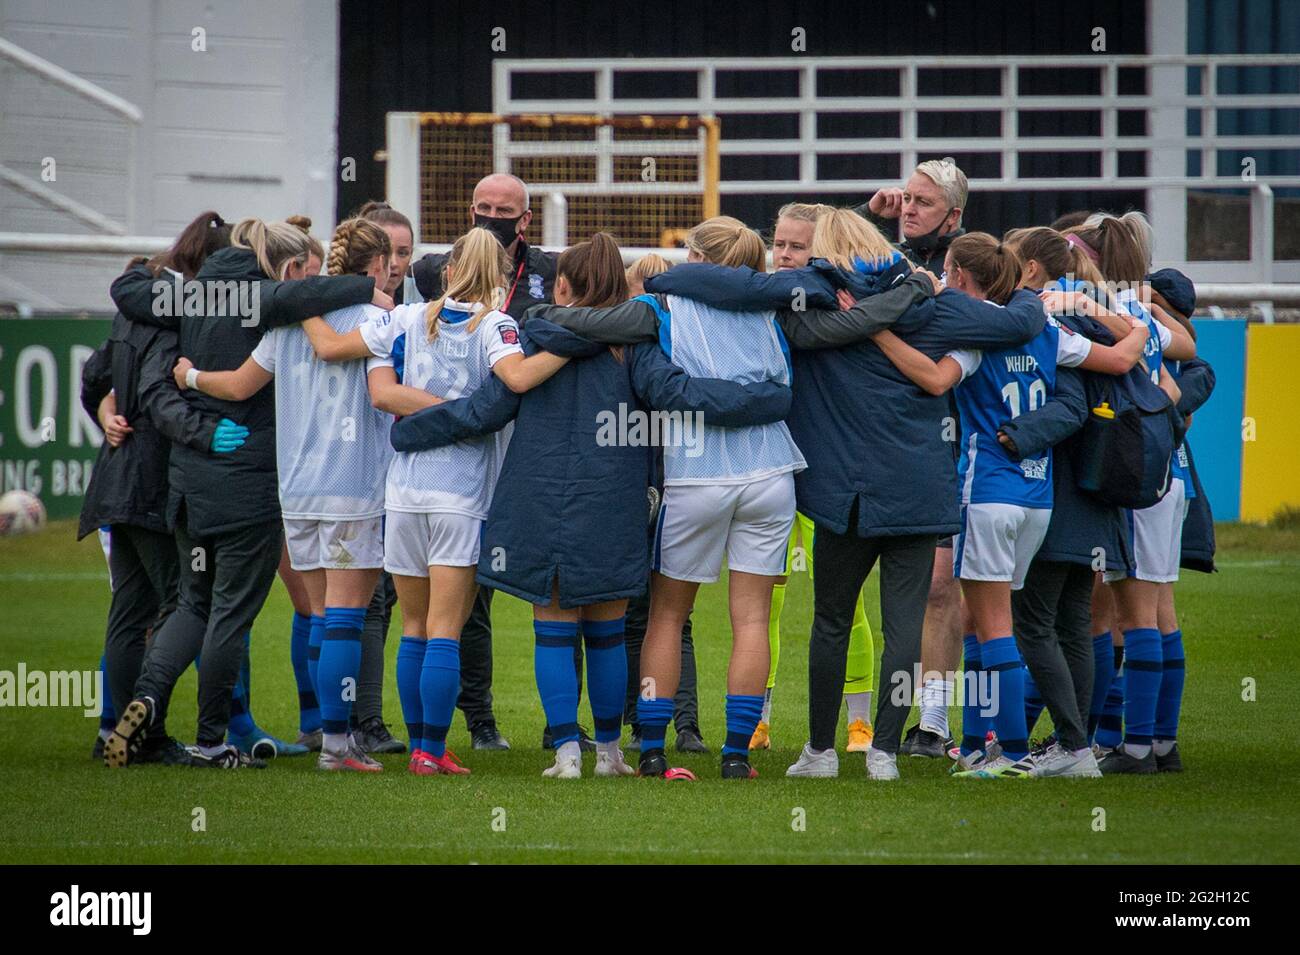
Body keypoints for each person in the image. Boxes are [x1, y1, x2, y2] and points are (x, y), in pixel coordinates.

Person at [534, 214, 943, 779]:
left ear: (698, 261)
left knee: (668, 618)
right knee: (751, 619)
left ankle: (652, 748)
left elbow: (586, 328)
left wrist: (534, 319)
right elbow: (848, 330)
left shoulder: (663, 307)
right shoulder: (779, 308)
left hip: (697, 475)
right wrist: (914, 286)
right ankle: (735, 755)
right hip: (770, 472)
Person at [391, 233, 795, 778]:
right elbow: (675, 396)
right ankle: (610, 753)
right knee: (607, 630)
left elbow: (486, 411)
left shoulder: (533, 336)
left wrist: (410, 432)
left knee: (552, 627)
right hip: (614, 499)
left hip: (538, 497)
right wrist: (768, 399)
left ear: (561, 285)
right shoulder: (639, 343)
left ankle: (565, 753)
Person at [103, 218, 393, 769]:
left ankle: (145, 698)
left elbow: (132, 294)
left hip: (189, 481)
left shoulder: (195, 299)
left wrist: (189, 381)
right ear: (286, 270)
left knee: (192, 602)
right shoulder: (272, 309)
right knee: (241, 615)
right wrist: (367, 290)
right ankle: (217, 740)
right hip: (259, 482)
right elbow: (297, 313)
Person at [873, 231, 1149, 777]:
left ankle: (1013, 754)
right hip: (1037, 498)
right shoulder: (1047, 330)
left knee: (996, 626)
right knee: (980, 620)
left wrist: (875, 330)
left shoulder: (978, 336)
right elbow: (1120, 360)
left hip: (988, 492)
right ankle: (979, 744)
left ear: (959, 277)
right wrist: (1141, 326)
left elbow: (933, 378)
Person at [301, 227, 567, 775]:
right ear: (497, 276)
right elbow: (515, 379)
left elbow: (334, 351)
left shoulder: (403, 318)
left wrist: (300, 297)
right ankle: (430, 749)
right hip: (461, 492)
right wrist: (568, 345)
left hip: (402, 492)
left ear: (447, 272)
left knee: (415, 627)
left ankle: (416, 743)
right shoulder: (497, 324)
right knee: (447, 628)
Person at [79, 211, 244, 767]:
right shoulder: (174, 316)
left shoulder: (133, 306)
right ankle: (148, 730)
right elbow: (157, 396)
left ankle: (112, 729)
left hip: (113, 475)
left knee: (129, 609)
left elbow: (93, 380)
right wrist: (211, 436)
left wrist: (105, 413)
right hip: (153, 480)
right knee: (182, 600)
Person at [409, 174, 559, 750]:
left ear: (525, 221)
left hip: (534, 449)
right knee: (464, 596)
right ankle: (479, 721)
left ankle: (559, 728)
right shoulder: (435, 270)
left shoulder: (549, 270)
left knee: (554, 585)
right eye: (483, 208)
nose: (492, 218)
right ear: (470, 210)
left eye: (504, 211)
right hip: (463, 452)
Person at [1068, 214, 1195, 775]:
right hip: (1169, 476)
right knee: (1161, 609)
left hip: (1137, 479)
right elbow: (1179, 366)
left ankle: (1136, 746)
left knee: (1133, 613)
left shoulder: (1094, 313)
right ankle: (1160, 743)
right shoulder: (1139, 312)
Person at [751, 203, 879, 755]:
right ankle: (756, 718)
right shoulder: (757, 301)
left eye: (797, 246)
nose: (783, 255)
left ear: (822, 254)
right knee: (766, 601)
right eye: (778, 243)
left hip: (828, 471)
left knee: (847, 603)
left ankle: (859, 723)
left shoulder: (843, 306)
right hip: (773, 470)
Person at [621, 252, 707, 753]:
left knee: (645, 615)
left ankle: (643, 723)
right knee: (676, 615)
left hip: (643, 483)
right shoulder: (690, 334)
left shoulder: (634, 340)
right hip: (681, 482)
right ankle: (685, 725)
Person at [856, 158, 968, 273]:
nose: (908, 210)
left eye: (923, 202)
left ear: (953, 216)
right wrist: (869, 211)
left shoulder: (973, 263)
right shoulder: (889, 258)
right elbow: (838, 248)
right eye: (906, 198)